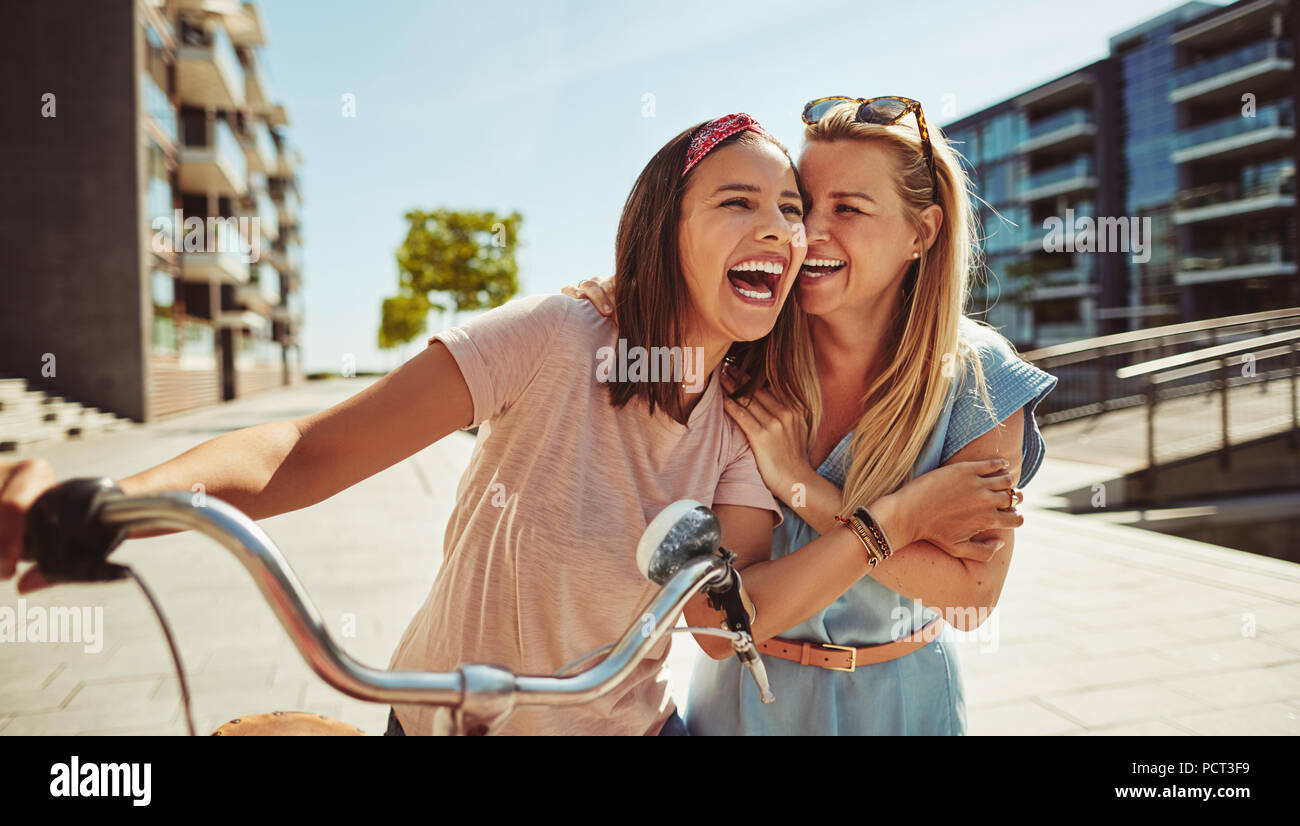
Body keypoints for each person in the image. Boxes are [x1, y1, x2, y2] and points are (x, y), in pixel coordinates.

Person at [0, 113, 1019, 737]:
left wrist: (884, 516)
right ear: (663, 228)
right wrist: (112, 504)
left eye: (791, 210)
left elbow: (729, 616)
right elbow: (302, 450)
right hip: (441, 715)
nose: (782, 229)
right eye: (738, 202)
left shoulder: (755, 417)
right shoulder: (555, 335)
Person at [566, 97, 1058, 735]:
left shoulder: (981, 379)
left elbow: (972, 600)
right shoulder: (743, 353)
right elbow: (723, 619)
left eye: (848, 209)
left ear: (923, 232)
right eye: (803, 205)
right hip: (744, 702)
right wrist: (622, 300)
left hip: (905, 709)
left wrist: (805, 486)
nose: (808, 233)